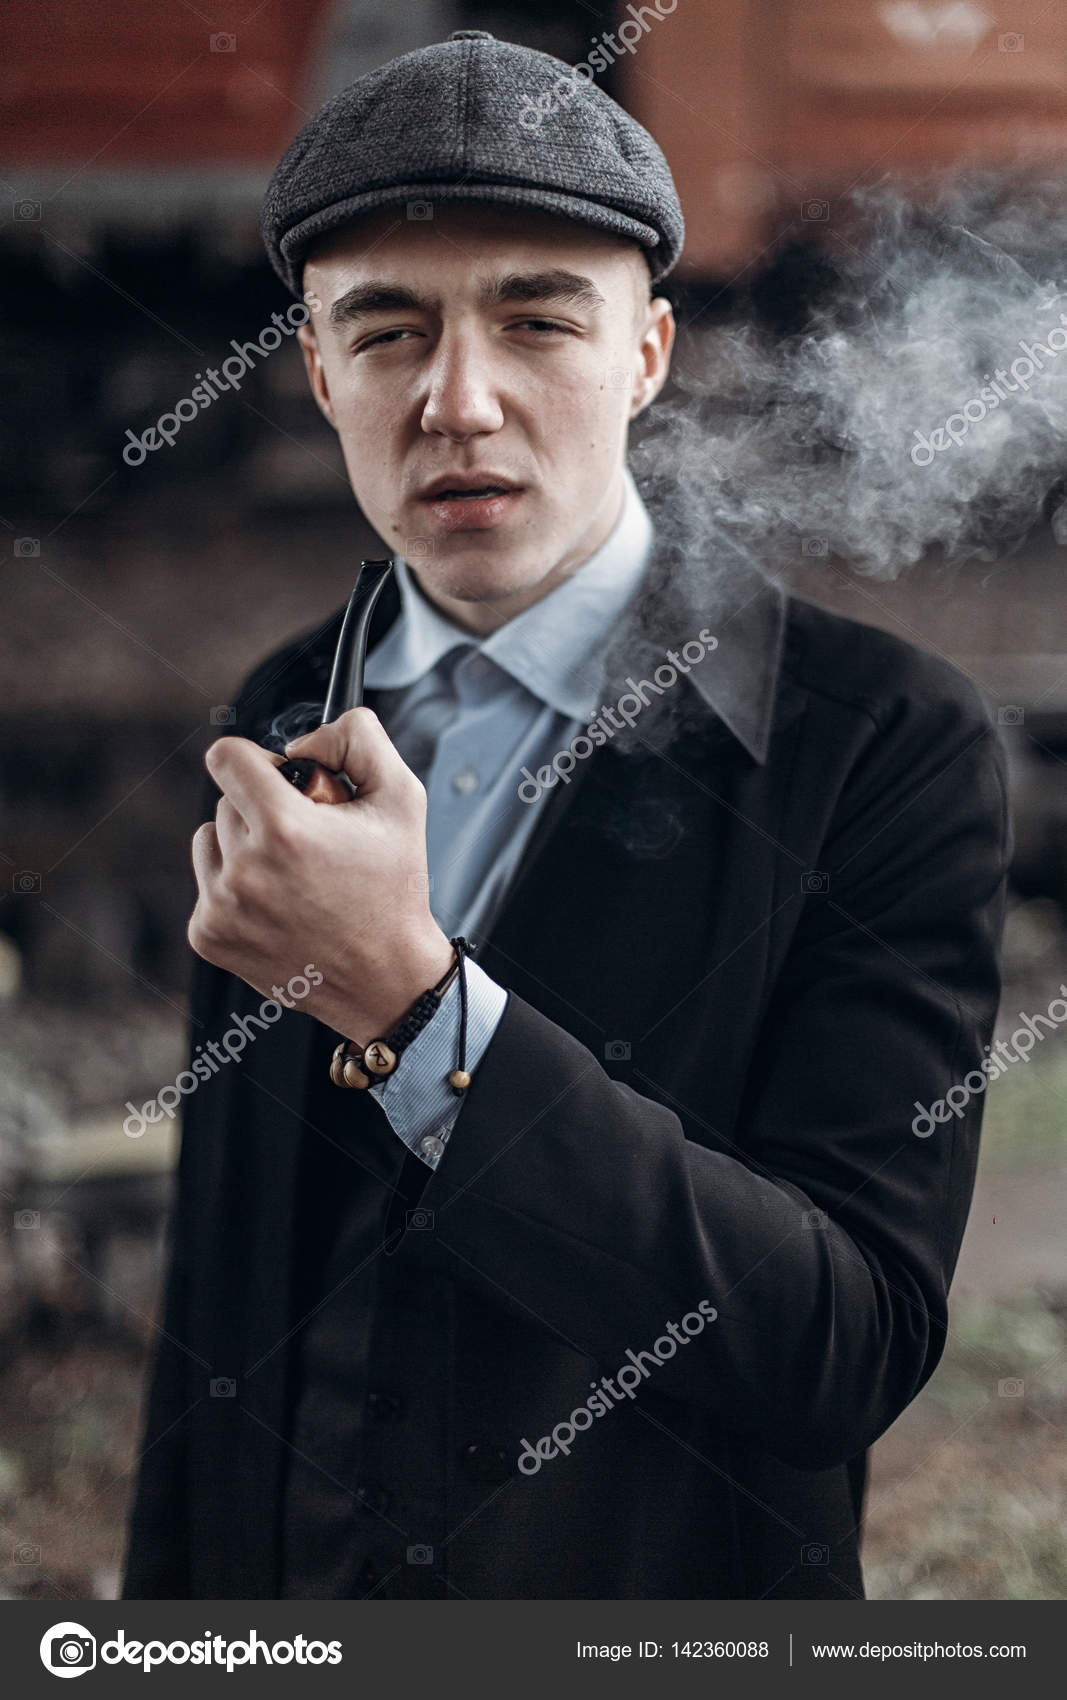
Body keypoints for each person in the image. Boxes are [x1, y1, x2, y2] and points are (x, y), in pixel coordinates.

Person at [121, 29, 1010, 1601]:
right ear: (318, 372)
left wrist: (412, 1002)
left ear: (649, 354)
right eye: (387, 334)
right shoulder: (274, 710)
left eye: (538, 320)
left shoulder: (887, 748)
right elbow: (224, 1299)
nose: (459, 402)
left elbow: (843, 1345)